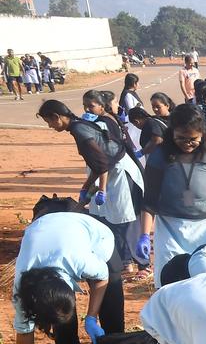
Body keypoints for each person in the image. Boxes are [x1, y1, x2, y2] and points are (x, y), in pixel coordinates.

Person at [11, 207, 125, 344]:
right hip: (46, 230)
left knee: (112, 316)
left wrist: (91, 317)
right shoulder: (23, 287)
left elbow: (103, 277)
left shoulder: (80, 260)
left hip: (94, 234)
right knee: (63, 329)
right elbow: (24, 332)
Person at [139, 105, 206, 286]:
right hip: (172, 230)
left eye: (193, 139)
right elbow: (149, 202)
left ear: (202, 134)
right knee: (172, 284)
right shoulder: (159, 157)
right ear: (171, 133)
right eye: (181, 138)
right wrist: (144, 236)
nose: (187, 143)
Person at [37, 100, 144, 264]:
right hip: (110, 172)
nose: (50, 126)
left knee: (124, 219)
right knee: (107, 216)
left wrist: (101, 190)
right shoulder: (78, 126)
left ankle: (136, 262)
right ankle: (123, 261)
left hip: (120, 172)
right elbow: (96, 164)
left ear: (56, 116)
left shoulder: (80, 130)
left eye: (49, 121)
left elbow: (102, 163)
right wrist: (86, 187)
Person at [117, 73, 144, 155]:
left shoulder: (132, 93)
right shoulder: (127, 94)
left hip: (136, 121)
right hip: (132, 123)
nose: (138, 85)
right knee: (134, 142)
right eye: (137, 82)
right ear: (133, 83)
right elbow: (131, 109)